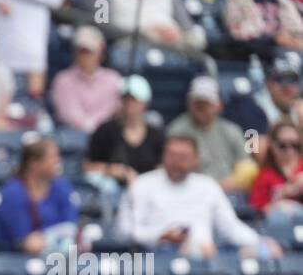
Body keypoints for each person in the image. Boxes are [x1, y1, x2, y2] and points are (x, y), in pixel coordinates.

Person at [116, 135, 283, 259]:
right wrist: (160, 235)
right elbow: (125, 230)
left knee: (263, 252)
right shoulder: (142, 184)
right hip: (155, 255)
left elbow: (231, 227)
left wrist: (259, 241)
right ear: (163, 156)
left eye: (182, 157)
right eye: (171, 155)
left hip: (206, 255)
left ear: (195, 160)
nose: (176, 162)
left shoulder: (207, 186)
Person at [83, 75, 165, 209]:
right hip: (113, 194)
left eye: (134, 100)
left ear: (144, 103)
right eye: (125, 99)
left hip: (149, 195)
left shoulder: (156, 134)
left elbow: (162, 167)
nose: (129, 104)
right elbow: (88, 167)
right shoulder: (106, 130)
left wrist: (144, 183)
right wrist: (116, 170)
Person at [167, 77, 254, 192]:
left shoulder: (232, 130)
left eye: (206, 103)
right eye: (197, 102)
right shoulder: (177, 130)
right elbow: (173, 168)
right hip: (188, 191)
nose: (201, 107)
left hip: (228, 191)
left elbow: (247, 167)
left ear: (219, 105)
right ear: (189, 103)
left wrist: (231, 183)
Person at [0, 138, 78, 254]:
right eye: (52, 157)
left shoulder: (61, 187)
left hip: (57, 255)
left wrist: (47, 238)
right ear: (34, 163)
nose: (58, 161)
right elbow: (25, 241)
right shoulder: (12, 192)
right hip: (17, 260)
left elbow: (70, 226)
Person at [90, 0, 206, 55]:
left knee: (198, 39)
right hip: (132, 40)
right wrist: (143, 33)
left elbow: (186, 25)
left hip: (175, 40)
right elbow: (101, 23)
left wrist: (177, 33)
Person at [49, 26, 121, 134]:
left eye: (89, 51)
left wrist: (98, 128)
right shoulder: (63, 80)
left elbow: (112, 110)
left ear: (100, 52)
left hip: (106, 136)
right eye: (81, 51)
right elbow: (69, 114)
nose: (85, 56)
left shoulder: (113, 79)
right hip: (73, 135)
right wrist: (91, 127)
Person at [222, 0, 303, 60]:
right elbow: (236, 32)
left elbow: (297, 27)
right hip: (254, 51)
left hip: (288, 47)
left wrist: (290, 39)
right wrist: (273, 39)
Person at [226, 56, 303, 135]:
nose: (288, 87)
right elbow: (252, 146)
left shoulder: (297, 111)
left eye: (293, 80)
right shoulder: (252, 109)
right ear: (268, 83)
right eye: (280, 79)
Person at [249, 120, 303, 226]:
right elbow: (257, 212)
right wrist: (282, 195)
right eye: (283, 145)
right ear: (272, 145)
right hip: (281, 230)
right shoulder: (265, 176)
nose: (289, 150)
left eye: (294, 145)